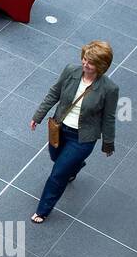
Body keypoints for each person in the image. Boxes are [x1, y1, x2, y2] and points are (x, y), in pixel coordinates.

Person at [28, 40, 118, 224]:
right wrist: (38, 116)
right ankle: (75, 167)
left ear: (101, 66)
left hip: (83, 138)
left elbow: (108, 117)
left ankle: (43, 210)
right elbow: (54, 93)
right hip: (60, 128)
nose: (85, 64)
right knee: (55, 157)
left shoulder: (109, 89)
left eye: (90, 62)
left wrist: (108, 142)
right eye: (84, 59)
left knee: (57, 173)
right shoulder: (70, 71)